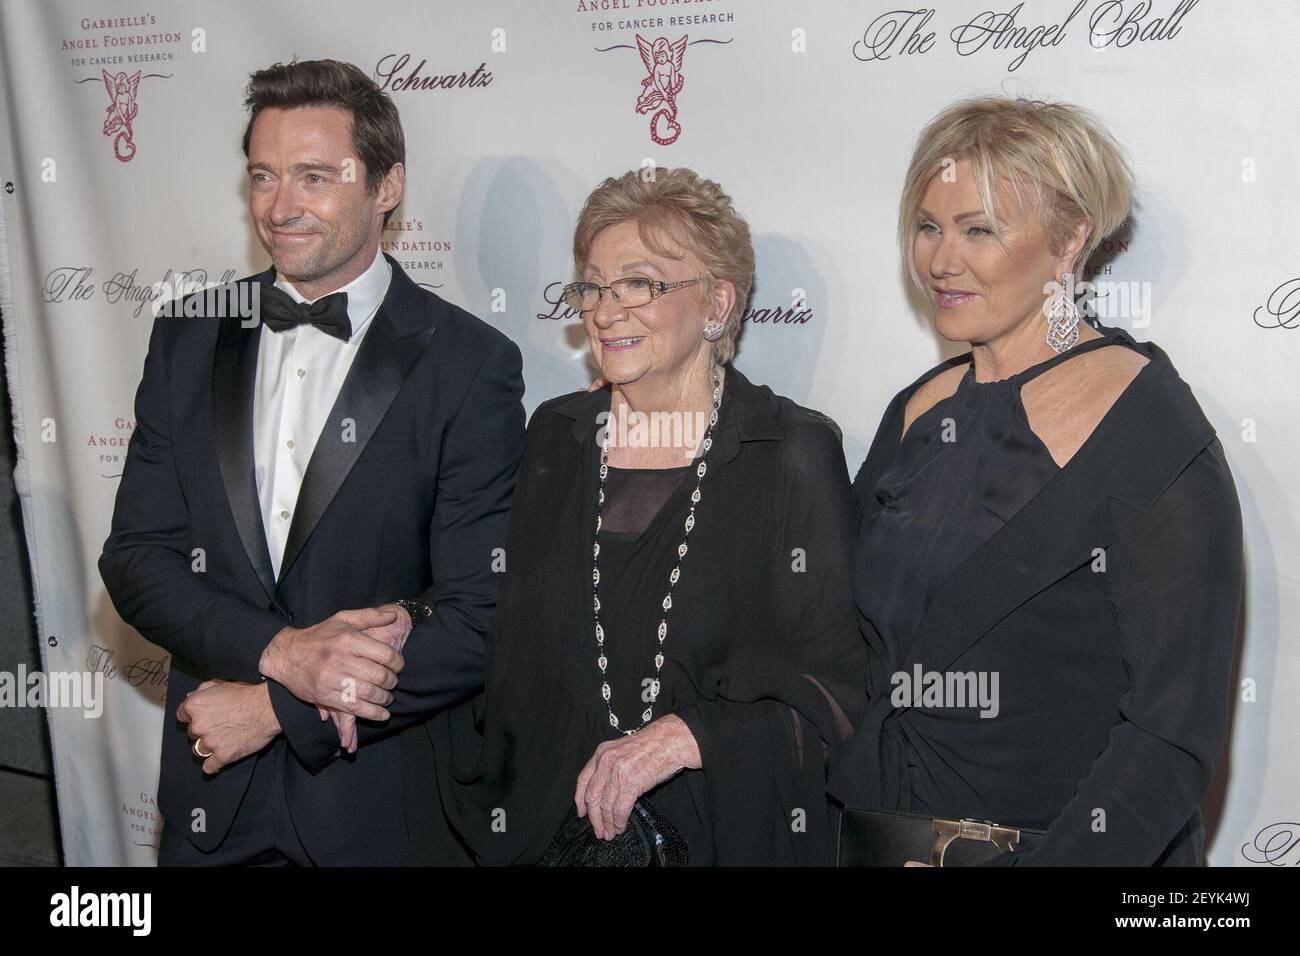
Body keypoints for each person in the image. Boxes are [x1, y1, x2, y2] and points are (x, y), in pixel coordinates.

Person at [98, 59, 525, 865]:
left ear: (388, 185)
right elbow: (136, 559)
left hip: (380, 812)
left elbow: (480, 619)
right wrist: (280, 653)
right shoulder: (187, 336)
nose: (280, 207)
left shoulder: (469, 364)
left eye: (315, 177)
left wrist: (276, 708)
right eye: (263, 176)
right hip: (210, 802)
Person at [828, 96, 1244, 866]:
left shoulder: (1149, 428)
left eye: (979, 229)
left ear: (1069, 239)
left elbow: (1170, 735)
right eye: (929, 226)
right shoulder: (916, 412)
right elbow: (845, 650)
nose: (941, 259)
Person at [436, 167, 867, 865]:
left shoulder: (789, 454)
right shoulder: (556, 437)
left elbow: (842, 692)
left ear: (717, 304)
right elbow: (505, 655)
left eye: (640, 284)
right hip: (545, 837)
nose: (605, 311)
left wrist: (693, 736)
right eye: (593, 286)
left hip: (718, 839)